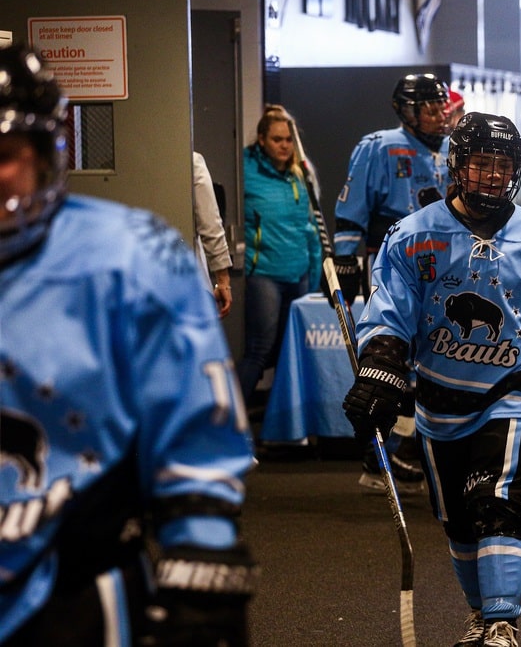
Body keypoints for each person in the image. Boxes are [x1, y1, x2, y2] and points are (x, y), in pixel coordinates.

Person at [0, 43, 258, 645]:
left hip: (72, 583)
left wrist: (201, 556)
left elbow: (196, 431)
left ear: (43, 157)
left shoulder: (130, 257)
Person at [341, 112, 521, 647]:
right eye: (481, 162)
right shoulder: (413, 235)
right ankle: (482, 616)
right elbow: (390, 312)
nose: (491, 175)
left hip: (513, 395)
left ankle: (504, 623)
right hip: (439, 404)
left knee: (497, 507)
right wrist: (381, 366)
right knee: (459, 524)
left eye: (502, 164)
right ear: (457, 165)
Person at [334, 72, 451, 491]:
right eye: (430, 107)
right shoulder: (380, 146)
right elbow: (352, 210)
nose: (440, 114)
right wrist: (346, 263)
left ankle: (403, 445)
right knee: (391, 354)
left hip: (441, 268)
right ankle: (378, 449)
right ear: (406, 110)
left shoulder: (451, 149)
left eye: (442, 106)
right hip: (392, 261)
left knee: (433, 356)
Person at [237, 104, 322, 408]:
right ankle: (230, 428)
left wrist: (313, 279)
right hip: (265, 275)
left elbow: (310, 229)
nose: (284, 145)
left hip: (298, 272)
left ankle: (283, 427)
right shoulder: (244, 168)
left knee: (290, 353)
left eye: (288, 139)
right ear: (261, 140)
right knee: (260, 350)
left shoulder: (299, 173)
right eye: (276, 139)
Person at [193, 150, 233, 318]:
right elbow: (210, 224)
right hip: (188, 281)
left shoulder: (119, 163)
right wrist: (223, 280)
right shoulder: (189, 161)